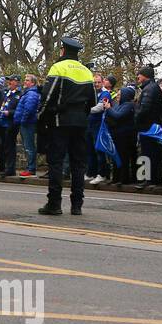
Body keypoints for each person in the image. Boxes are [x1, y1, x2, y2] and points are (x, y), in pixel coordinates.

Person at [35, 36, 94, 216]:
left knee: (56, 162)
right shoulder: (86, 71)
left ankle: (54, 203)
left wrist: (41, 118)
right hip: (81, 123)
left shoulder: (58, 67)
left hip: (60, 121)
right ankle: (77, 205)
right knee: (78, 164)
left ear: (63, 50)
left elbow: (47, 96)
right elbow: (93, 101)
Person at [134, 65, 162, 189]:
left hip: (147, 126)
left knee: (147, 153)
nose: (138, 77)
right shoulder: (153, 88)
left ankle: (148, 179)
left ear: (145, 76)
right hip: (152, 125)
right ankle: (156, 178)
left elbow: (144, 109)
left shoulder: (149, 89)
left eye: (140, 75)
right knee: (154, 153)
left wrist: (136, 117)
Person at [13, 73, 41, 176]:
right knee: (27, 146)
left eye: (27, 80)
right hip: (26, 123)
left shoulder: (31, 94)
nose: (25, 81)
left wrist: (23, 121)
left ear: (32, 83)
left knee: (29, 146)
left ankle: (31, 168)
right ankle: (30, 167)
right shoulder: (28, 93)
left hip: (27, 124)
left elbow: (29, 109)